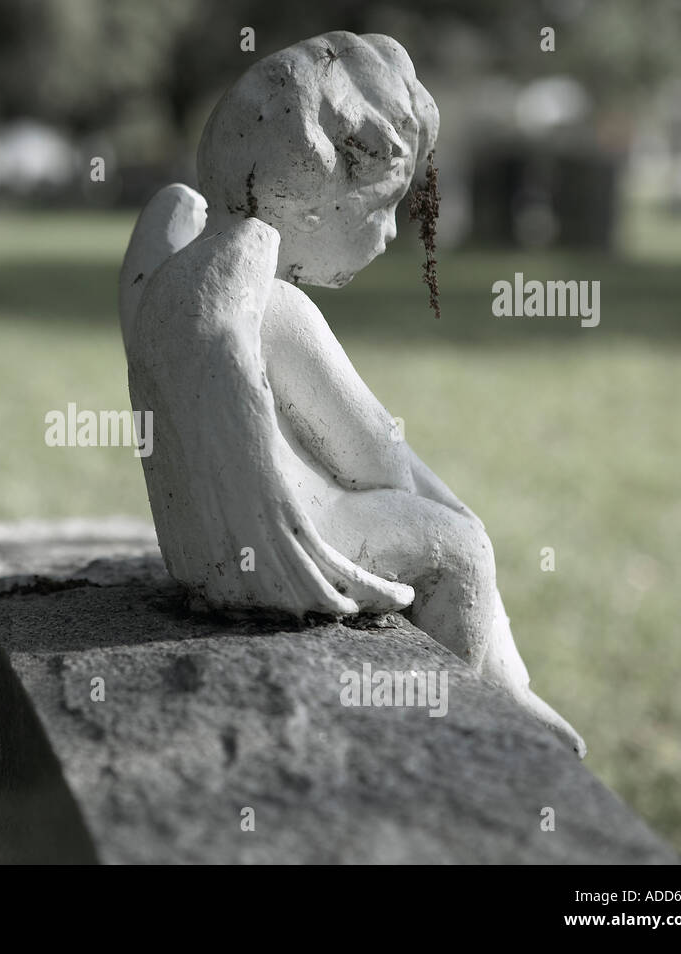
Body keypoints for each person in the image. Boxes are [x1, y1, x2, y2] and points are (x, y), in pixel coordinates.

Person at [120, 32, 585, 756]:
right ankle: (499, 713)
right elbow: (376, 455)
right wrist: (446, 509)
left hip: (202, 554)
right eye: (381, 211)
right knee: (460, 548)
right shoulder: (272, 305)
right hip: (292, 547)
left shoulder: (178, 262)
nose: (393, 231)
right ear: (309, 208)